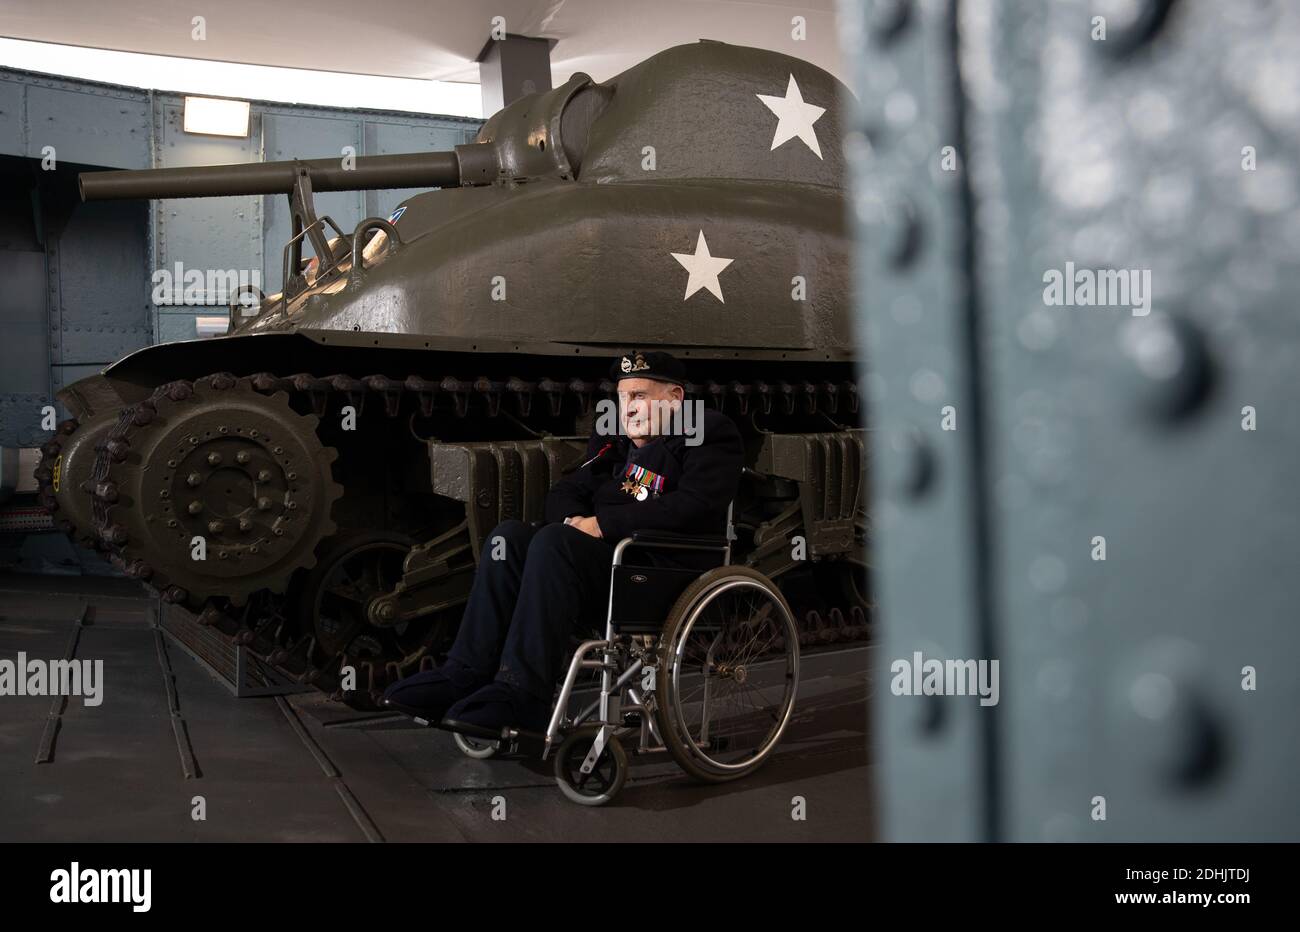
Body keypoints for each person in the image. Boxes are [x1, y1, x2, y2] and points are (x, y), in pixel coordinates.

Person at [381, 349, 744, 733]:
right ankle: (464, 674)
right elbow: (566, 490)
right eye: (622, 397)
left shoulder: (707, 431)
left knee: (555, 543)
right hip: (612, 568)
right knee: (509, 538)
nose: (629, 408)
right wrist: (575, 520)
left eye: (640, 396)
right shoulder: (615, 442)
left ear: (674, 398)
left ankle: (524, 696)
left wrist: (602, 524)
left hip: (661, 573)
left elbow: (695, 505)